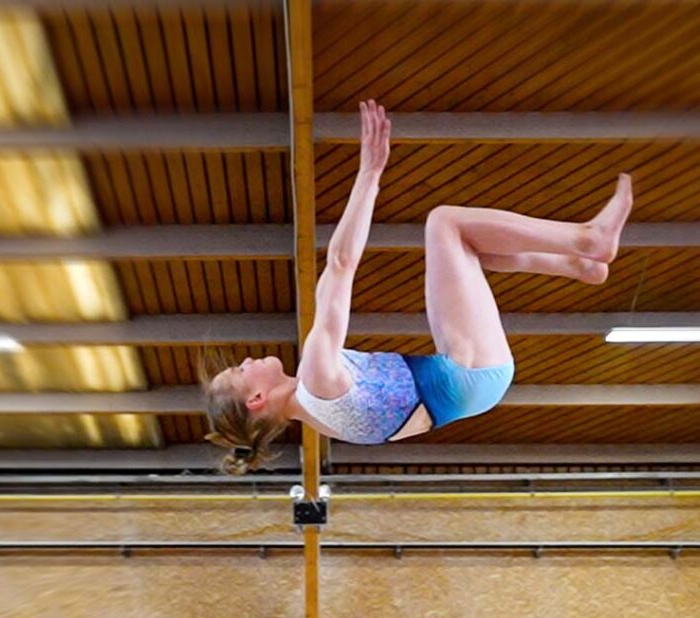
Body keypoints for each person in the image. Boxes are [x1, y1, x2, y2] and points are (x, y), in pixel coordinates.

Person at [201, 100, 633, 474]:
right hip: (466, 373)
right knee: (445, 222)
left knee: (469, 250)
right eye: (241, 371)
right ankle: (589, 239)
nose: (248, 359)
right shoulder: (316, 378)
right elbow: (340, 262)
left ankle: (577, 265)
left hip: (467, 383)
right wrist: (369, 173)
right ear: (256, 398)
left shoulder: (317, 416)